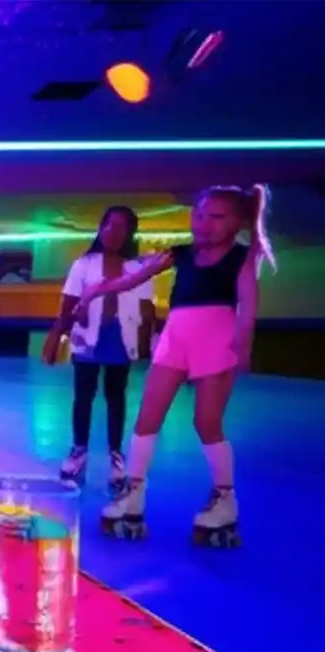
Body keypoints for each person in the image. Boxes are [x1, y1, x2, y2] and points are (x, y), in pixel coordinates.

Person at [78, 184, 273, 548]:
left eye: (217, 217)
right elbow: (131, 279)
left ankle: (225, 498)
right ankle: (133, 493)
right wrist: (94, 291)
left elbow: (248, 305)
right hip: (175, 339)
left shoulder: (242, 259)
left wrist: (243, 343)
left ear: (238, 222)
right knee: (147, 417)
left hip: (217, 339)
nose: (204, 223)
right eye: (199, 215)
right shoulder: (179, 254)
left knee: (206, 422)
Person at [43, 206, 155, 488]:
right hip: (87, 338)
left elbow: (146, 308)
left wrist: (146, 344)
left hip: (120, 337)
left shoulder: (138, 269)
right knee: (83, 396)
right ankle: (79, 450)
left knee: (115, 397)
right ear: (100, 228)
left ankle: (116, 455)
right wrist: (56, 336)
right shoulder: (84, 264)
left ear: (130, 233)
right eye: (108, 225)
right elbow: (68, 303)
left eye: (121, 227)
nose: (113, 232)